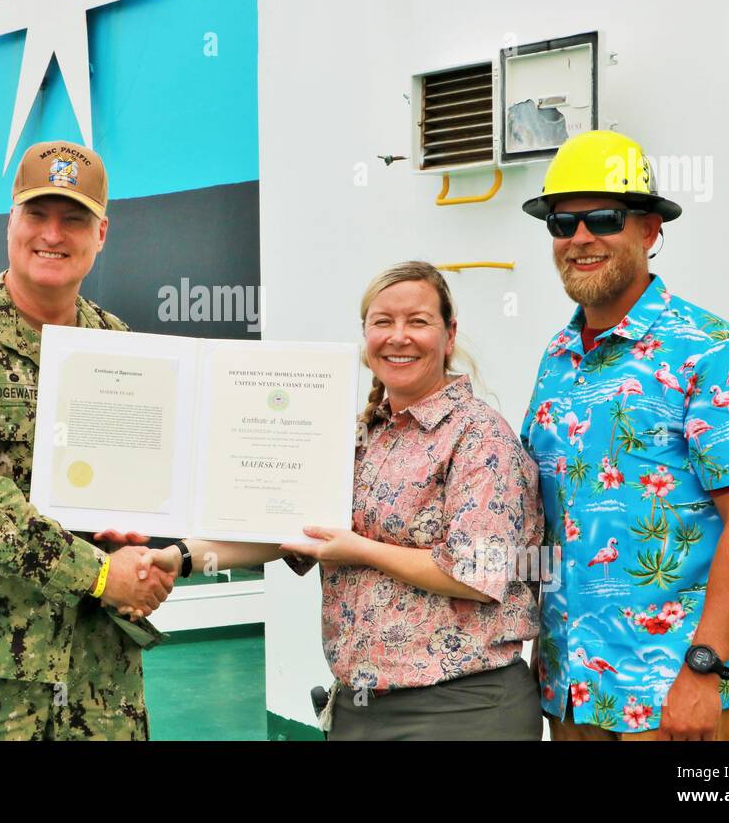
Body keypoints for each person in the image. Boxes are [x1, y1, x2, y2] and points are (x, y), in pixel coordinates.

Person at [112, 261, 544, 740]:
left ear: (449, 333)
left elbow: (477, 575)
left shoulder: (480, 438)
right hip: (362, 707)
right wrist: (179, 556)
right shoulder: (359, 435)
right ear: (365, 334)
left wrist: (357, 549)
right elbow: (293, 533)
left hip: (463, 710)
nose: (399, 336)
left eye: (418, 321)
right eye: (382, 322)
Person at [0, 140, 174, 741]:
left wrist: (133, 534)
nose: (53, 234)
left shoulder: (117, 342)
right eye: (37, 215)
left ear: (102, 233)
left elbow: (135, 476)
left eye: (73, 218)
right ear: (10, 224)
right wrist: (102, 574)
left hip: (97, 673)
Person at [519, 130, 729, 741]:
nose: (580, 238)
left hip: (673, 700)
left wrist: (703, 672)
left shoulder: (716, 354)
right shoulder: (558, 360)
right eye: (562, 224)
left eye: (604, 219)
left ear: (649, 231)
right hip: (571, 694)